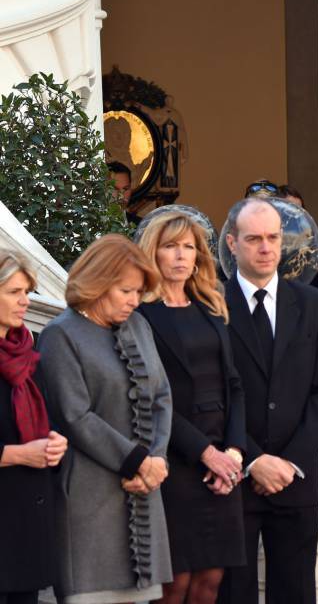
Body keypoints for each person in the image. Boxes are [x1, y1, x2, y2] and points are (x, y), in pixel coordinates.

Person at [38, 234, 174, 603]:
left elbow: (161, 396)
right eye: (126, 291)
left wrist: (157, 460)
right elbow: (74, 415)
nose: (134, 300)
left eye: (138, 292)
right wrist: (138, 461)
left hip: (144, 489)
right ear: (97, 282)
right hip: (89, 496)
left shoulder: (139, 328)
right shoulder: (59, 335)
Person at [216, 198, 318, 604]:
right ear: (232, 244)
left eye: (273, 238)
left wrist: (289, 462)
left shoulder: (313, 305)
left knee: (295, 591)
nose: (266, 248)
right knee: (234, 593)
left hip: (294, 476)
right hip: (233, 477)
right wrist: (252, 460)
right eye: (254, 239)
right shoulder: (212, 308)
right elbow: (209, 396)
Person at [136, 212, 247, 604]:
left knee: (210, 581)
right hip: (175, 459)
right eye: (171, 247)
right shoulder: (140, 316)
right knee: (174, 584)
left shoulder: (211, 306)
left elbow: (233, 383)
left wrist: (233, 453)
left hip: (222, 458)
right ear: (154, 253)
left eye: (188, 247)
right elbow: (149, 397)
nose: (181, 256)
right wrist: (206, 454)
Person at [0, 250, 67, 604]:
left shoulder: (28, 352)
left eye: (27, 291)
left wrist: (55, 441)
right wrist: (18, 454)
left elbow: (46, 418)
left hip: (27, 517)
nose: (25, 301)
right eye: (14, 292)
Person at [276, 184, 318, 297]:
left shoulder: (311, 247)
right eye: (290, 212)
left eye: (300, 212)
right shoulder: (265, 248)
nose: (296, 218)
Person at [107, 161, 141, 226]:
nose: (121, 195)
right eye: (115, 189)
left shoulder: (142, 227)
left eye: (125, 189)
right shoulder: (87, 225)